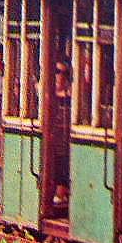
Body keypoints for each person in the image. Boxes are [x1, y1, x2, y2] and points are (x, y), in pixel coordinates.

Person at [51, 59, 71, 209]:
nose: (61, 76)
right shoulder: (42, 90)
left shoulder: (71, 93)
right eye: (57, 72)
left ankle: (61, 194)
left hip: (66, 137)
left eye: (65, 73)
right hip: (51, 136)